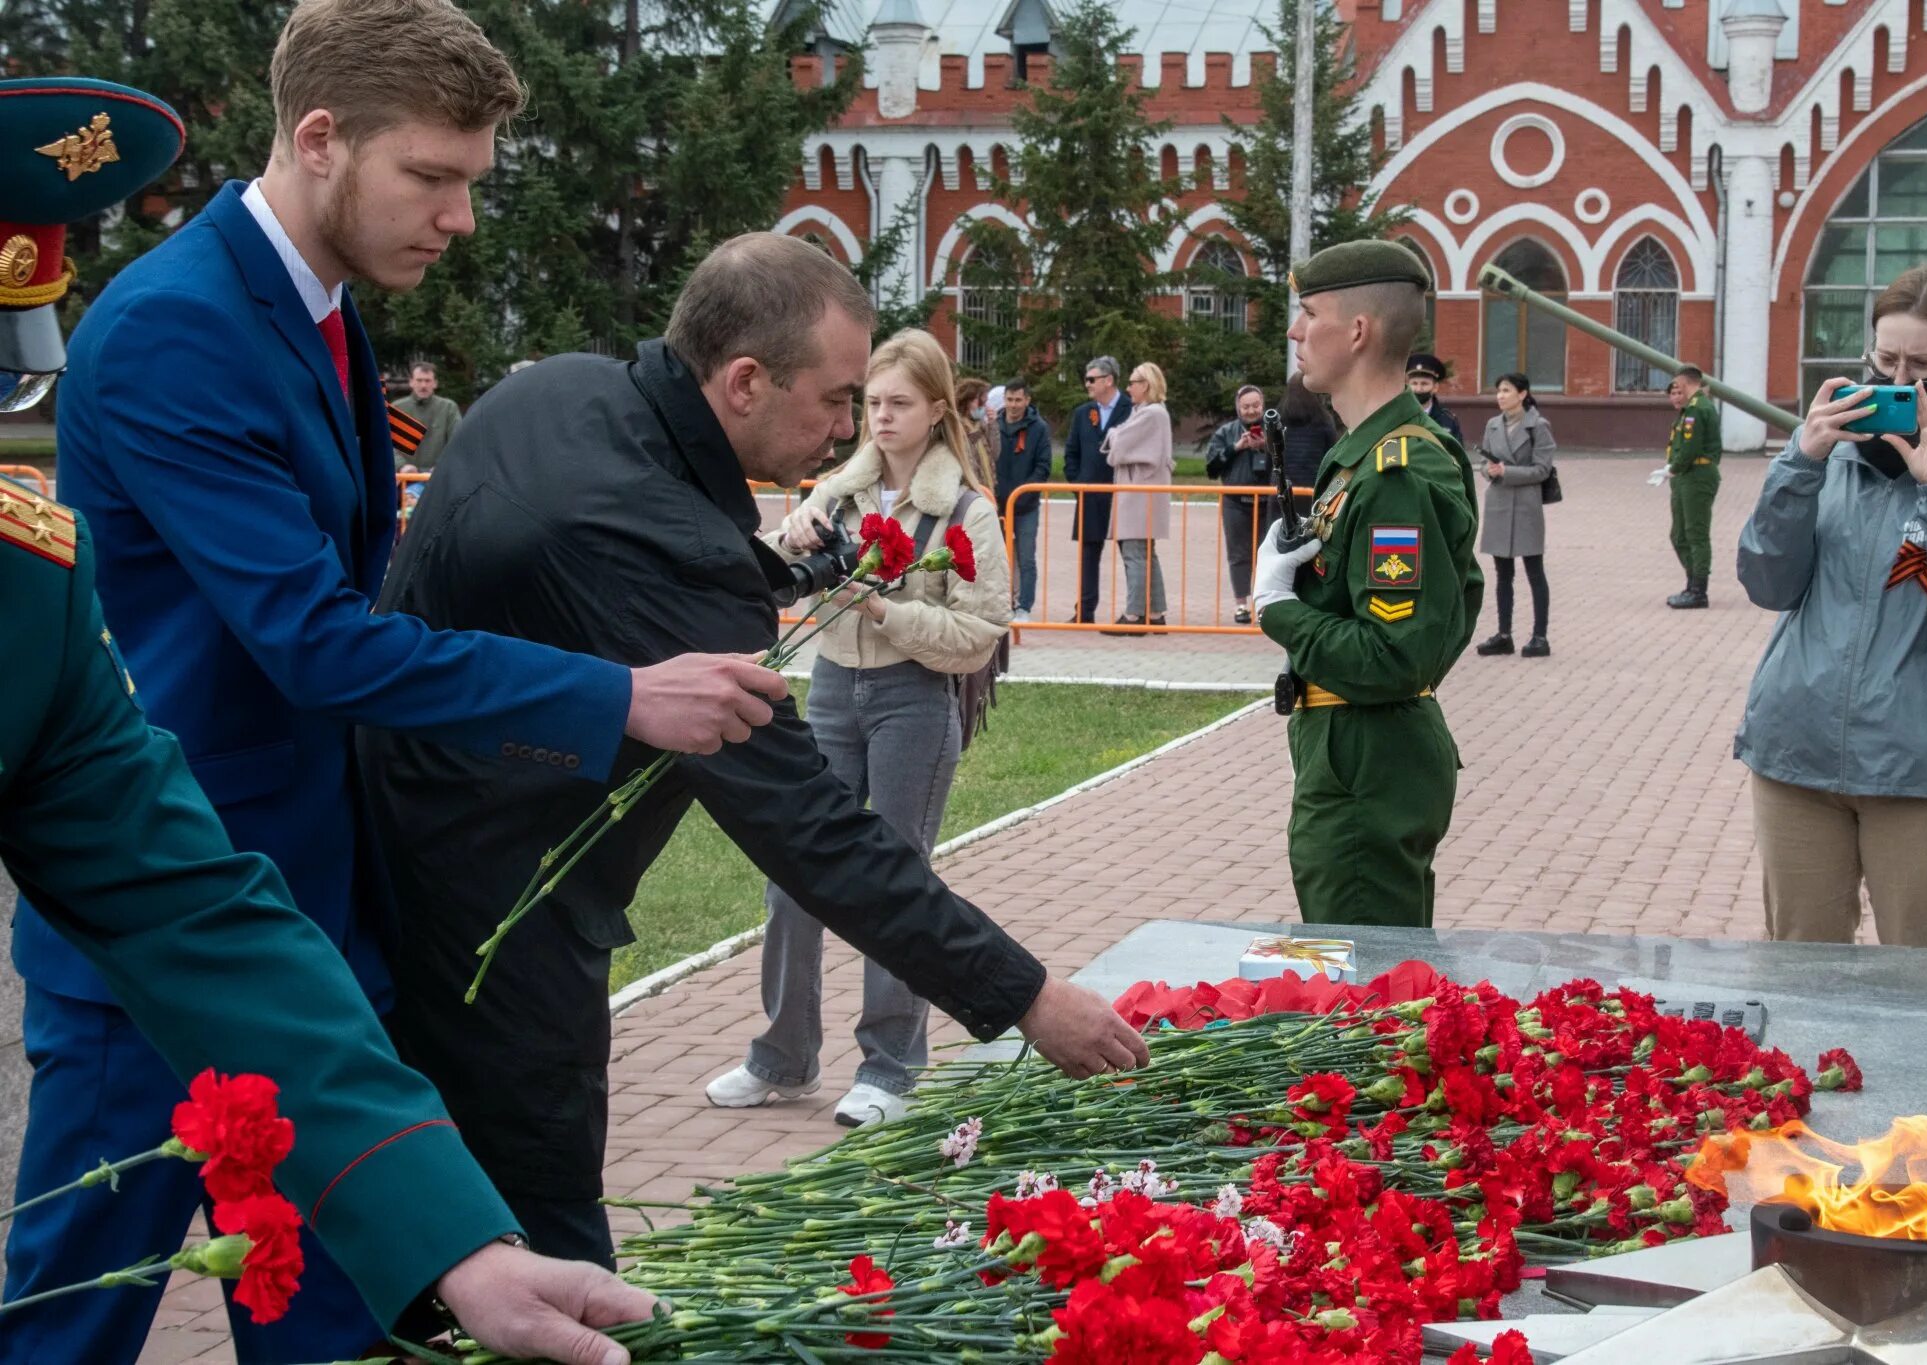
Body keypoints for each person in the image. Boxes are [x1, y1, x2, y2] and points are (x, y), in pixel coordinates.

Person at [13, 5, 789, 1357]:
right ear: (320, 141)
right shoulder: (174, 328)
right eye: (433, 177)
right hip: (158, 933)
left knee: (341, 1318)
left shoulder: (312, 311)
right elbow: (314, 640)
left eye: (472, 182)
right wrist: (617, 694)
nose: (462, 217)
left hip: (295, 915)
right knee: (71, 1322)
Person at [360, 233, 1149, 1267]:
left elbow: (577, 576)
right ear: (741, 380)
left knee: (431, 1228)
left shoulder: (563, 391)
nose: (843, 427)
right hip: (500, 924)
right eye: (831, 398)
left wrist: (768, 577)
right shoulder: (660, 542)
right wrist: (1026, 997)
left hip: (392, 859)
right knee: (541, 1241)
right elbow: (808, 829)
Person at [720, 329, 1013, 1128]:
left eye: (898, 404)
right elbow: (769, 564)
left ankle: (891, 1066)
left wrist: (887, 610)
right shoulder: (838, 492)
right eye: (870, 402)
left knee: (893, 877)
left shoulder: (964, 509)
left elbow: (982, 632)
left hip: (913, 701)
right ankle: (783, 1056)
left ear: (937, 411)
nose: (879, 418)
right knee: (792, 874)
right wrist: (792, 544)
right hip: (830, 693)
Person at [1736, 259, 1927, 949]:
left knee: (1924, 993)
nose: (1900, 382)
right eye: (1885, 358)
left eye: (1924, 362)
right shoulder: (1835, 448)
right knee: (1802, 980)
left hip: (1923, 771)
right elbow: (1768, 584)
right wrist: (1801, 462)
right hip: (1796, 753)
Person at [1253, 240, 1483, 927]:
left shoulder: (1396, 471)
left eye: (1309, 313)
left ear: (1357, 331)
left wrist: (1277, 608)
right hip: (1354, 749)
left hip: (1366, 760)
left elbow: (1392, 654)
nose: (1296, 331)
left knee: (1368, 1003)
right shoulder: (1364, 455)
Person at [1471, 372, 1557, 659]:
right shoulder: (1492, 425)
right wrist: (1489, 470)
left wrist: (1508, 472)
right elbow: (1483, 464)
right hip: (1498, 503)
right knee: (1502, 573)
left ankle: (1539, 636)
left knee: (1534, 571)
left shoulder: (1538, 426)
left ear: (1522, 394)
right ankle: (1504, 634)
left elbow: (1542, 469)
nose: (1500, 396)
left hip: (1525, 505)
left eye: (1506, 390)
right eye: (1498, 391)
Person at [1101, 360, 1174, 628]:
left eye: (1133, 382)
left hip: (1139, 494)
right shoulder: (1148, 412)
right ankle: (1155, 612)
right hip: (1141, 492)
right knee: (1144, 553)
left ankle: (1134, 613)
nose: (1129, 387)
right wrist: (1116, 435)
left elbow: (1118, 444)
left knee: (1135, 553)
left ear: (1146, 385)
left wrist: (1114, 434)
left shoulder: (1151, 414)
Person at [1062, 355, 1131, 622]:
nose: (1087, 384)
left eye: (1091, 379)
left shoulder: (1131, 408)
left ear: (1108, 380)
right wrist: (1078, 483)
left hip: (1123, 494)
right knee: (1088, 555)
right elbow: (1071, 453)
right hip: (1090, 495)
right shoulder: (1083, 413)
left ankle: (1136, 610)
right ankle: (1085, 611)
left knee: (1131, 554)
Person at [1205, 383, 1270, 624]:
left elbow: (1290, 459)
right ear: (1238, 408)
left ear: (1263, 405)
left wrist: (1267, 446)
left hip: (1269, 502)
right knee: (1238, 555)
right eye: (1246, 406)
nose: (1252, 410)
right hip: (1235, 503)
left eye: (1256, 405)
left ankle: (1265, 605)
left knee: (1269, 556)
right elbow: (1211, 468)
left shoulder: (1274, 429)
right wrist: (1236, 448)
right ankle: (1241, 605)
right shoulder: (1226, 433)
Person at [994, 376, 1053, 621]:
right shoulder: (994, 425)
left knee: (1026, 557)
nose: (1014, 404)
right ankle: (1000, 603)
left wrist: (1023, 492)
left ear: (1027, 400)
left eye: (1019, 400)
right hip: (996, 505)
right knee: (998, 557)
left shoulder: (1038, 428)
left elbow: (1043, 466)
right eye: (1010, 399)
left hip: (1025, 505)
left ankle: (1024, 606)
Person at [1663, 365, 1722, 610]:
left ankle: (1699, 590)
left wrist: (1673, 468)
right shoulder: (1691, 408)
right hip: (1686, 475)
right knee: (1679, 534)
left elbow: (1690, 447)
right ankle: (1691, 582)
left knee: (1695, 533)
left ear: (1685, 383)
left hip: (1696, 475)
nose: (1678, 391)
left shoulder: (1697, 409)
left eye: (1679, 385)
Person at [391, 359, 463, 470]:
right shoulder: (397, 408)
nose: (423, 385)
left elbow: (457, 441)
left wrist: (442, 467)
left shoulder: (448, 408)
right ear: (411, 382)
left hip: (438, 476)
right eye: (419, 380)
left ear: (435, 383)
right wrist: (401, 465)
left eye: (427, 380)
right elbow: (387, 444)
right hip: (405, 477)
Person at [1280, 371, 1340, 490]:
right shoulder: (1324, 420)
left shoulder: (1279, 419)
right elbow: (1333, 454)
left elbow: (1270, 456)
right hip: (1312, 488)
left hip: (1281, 489)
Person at [1406, 353, 1465, 447]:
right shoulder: (1397, 417)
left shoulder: (1448, 420)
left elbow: (1457, 455)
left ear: (1435, 387)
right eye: (1414, 383)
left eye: (1424, 384)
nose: (1418, 389)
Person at [955, 375, 997, 491]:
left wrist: (993, 424)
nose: (984, 406)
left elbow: (995, 453)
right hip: (967, 490)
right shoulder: (955, 427)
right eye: (980, 401)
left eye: (985, 402)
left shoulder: (982, 425)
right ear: (966, 400)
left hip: (986, 488)